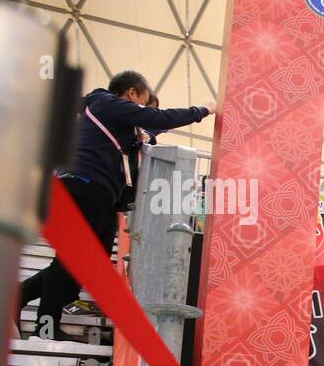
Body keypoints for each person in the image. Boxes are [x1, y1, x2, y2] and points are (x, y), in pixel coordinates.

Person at [18, 71, 214, 340]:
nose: (142, 112)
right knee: (71, 259)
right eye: (142, 104)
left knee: (91, 262)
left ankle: (22, 296)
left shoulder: (119, 121)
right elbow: (158, 118)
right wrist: (205, 109)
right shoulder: (106, 103)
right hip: (82, 185)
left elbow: (153, 127)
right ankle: (45, 328)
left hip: (102, 195)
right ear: (132, 94)